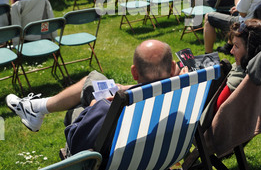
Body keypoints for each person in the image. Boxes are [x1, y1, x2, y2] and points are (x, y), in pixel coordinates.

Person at [5, 40, 183, 135]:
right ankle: (36, 108)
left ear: (134, 72)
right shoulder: (186, 91)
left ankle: (37, 108)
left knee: (77, 106)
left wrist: (93, 108)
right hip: (156, 153)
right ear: (173, 67)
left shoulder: (121, 106)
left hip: (110, 157)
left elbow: (81, 137)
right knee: (94, 81)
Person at [213, 19, 261, 113]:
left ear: (251, 51)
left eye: (236, 46)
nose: (231, 51)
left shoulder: (236, 83)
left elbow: (216, 112)